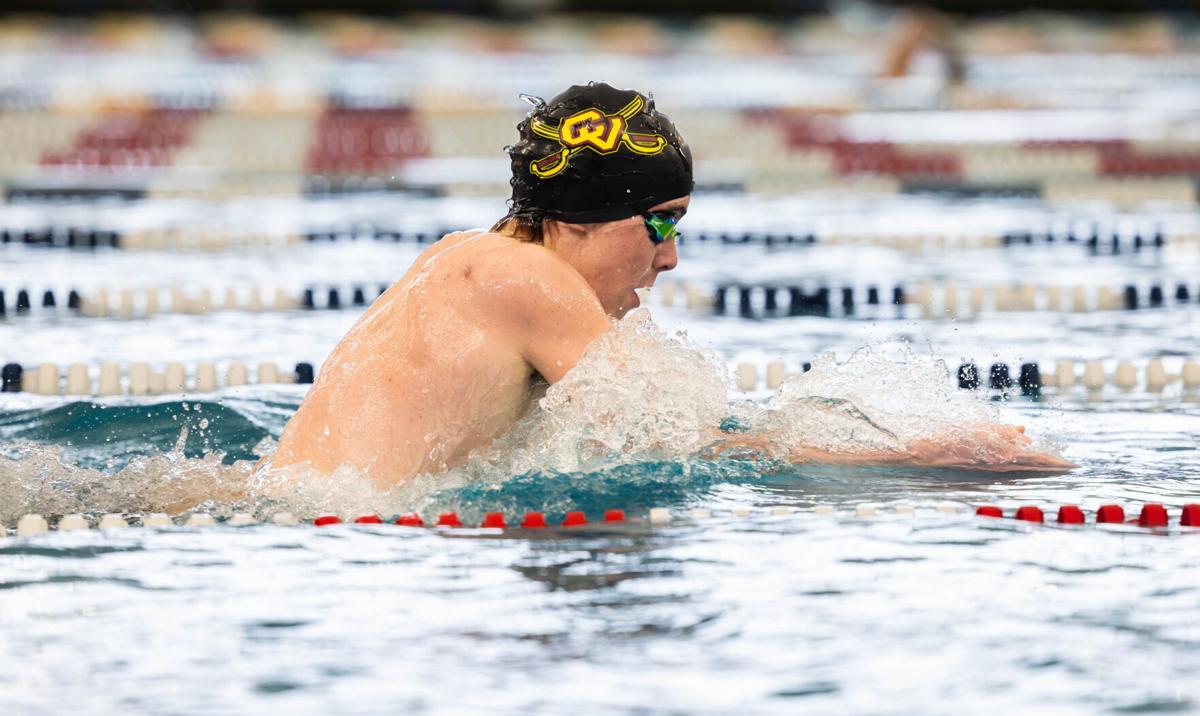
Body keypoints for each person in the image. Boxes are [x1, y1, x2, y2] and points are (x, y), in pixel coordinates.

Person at [264, 82, 1070, 488]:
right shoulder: (524, 281)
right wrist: (920, 461)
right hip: (338, 540)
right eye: (657, 222)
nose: (671, 255)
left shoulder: (470, 257)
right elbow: (683, 450)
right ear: (581, 217)